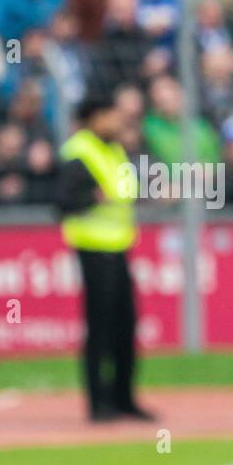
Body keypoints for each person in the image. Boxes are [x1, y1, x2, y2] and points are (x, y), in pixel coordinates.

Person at [55, 95, 152, 423]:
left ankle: (123, 398)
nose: (117, 121)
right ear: (95, 116)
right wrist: (94, 198)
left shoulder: (113, 149)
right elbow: (63, 203)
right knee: (100, 328)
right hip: (93, 249)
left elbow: (124, 192)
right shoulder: (78, 152)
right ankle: (98, 404)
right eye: (111, 114)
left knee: (126, 324)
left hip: (119, 247)